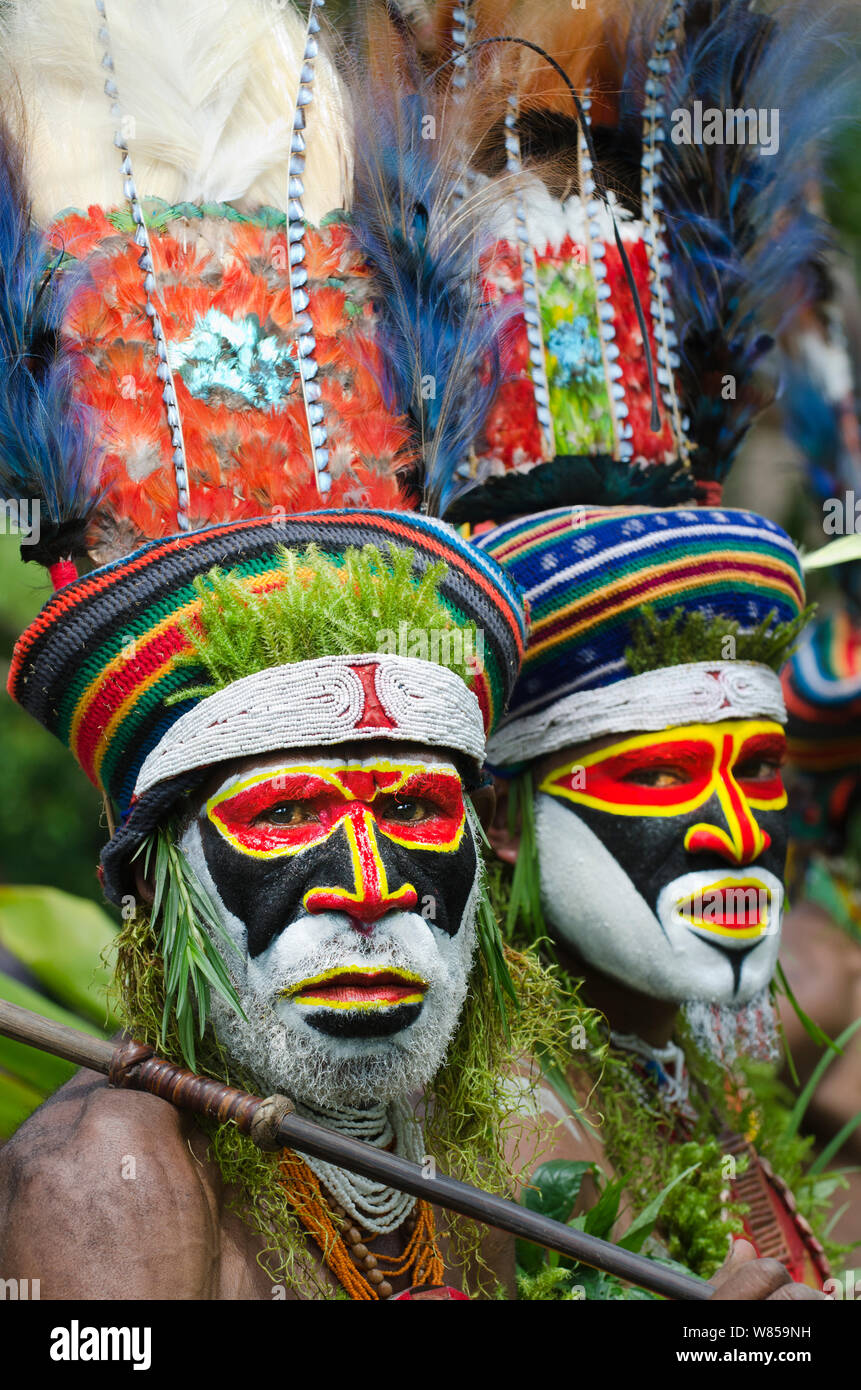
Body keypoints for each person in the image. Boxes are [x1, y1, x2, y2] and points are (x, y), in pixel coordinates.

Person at [0, 0, 560, 1301]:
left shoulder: (467, 1157)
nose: (369, 885)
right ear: (150, 886)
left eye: (413, 807)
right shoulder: (117, 1185)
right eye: (291, 807)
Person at [455, 0, 853, 1290]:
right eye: (658, 776)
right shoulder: (514, 1130)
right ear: (505, 816)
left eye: (754, 776)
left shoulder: (696, 1062)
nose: (740, 834)